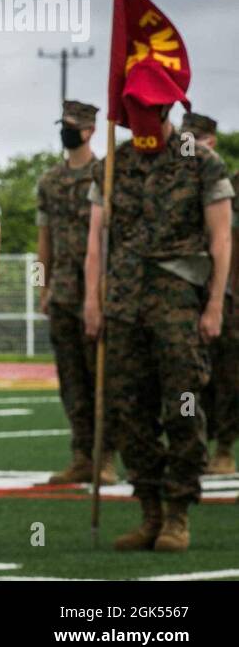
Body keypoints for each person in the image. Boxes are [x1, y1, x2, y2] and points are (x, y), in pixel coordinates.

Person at [84, 105, 233, 551]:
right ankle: (149, 509)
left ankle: (178, 514)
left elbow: (220, 238)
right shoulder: (113, 166)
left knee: (183, 406)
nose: (140, 121)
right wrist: (92, 300)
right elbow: (96, 239)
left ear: (165, 110)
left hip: (179, 302)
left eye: (149, 112)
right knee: (129, 410)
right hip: (125, 303)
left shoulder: (202, 161)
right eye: (133, 113)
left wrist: (215, 306)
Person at [37, 100, 115, 485]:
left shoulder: (106, 175)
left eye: (72, 125)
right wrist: (42, 285)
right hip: (64, 292)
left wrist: (102, 293)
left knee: (101, 377)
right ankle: (82, 455)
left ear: (90, 130)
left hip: (98, 293)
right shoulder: (50, 181)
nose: (66, 131)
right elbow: (44, 238)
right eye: (63, 124)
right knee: (71, 381)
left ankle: (106, 458)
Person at [180, 112, 239, 474]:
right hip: (187, 292)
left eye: (195, 139)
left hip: (228, 295)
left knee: (229, 374)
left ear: (210, 142)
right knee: (192, 376)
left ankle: (224, 447)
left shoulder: (224, 182)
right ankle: (195, 446)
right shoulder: (174, 183)